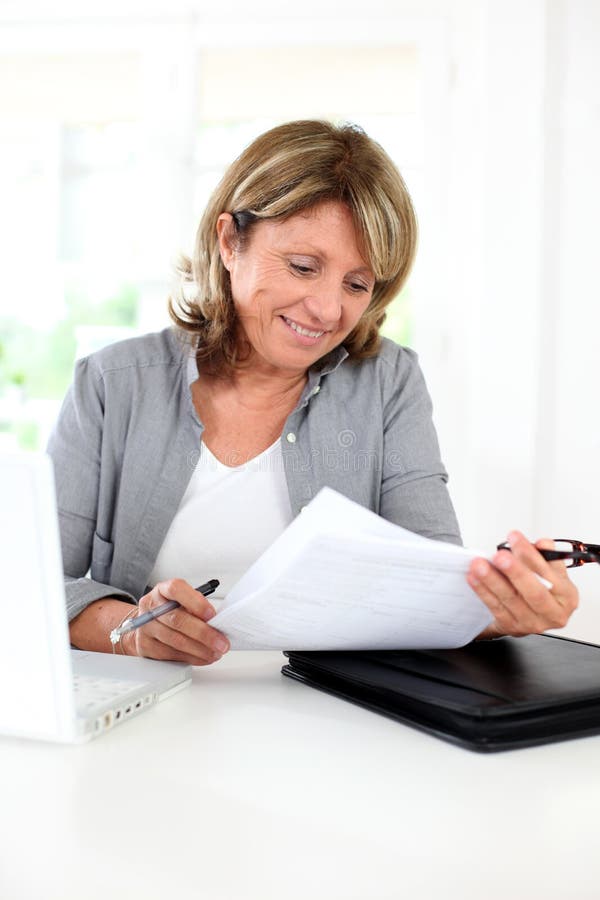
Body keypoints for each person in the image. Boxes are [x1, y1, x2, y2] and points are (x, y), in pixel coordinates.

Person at [49, 120, 578, 665]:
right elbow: (29, 583)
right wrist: (129, 630)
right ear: (229, 241)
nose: (328, 310)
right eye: (303, 267)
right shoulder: (112, 383)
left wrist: (499, 612)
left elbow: (430, 584)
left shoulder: (389, 382)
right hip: (155, 702)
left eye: (356, 284)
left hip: (332, 705)